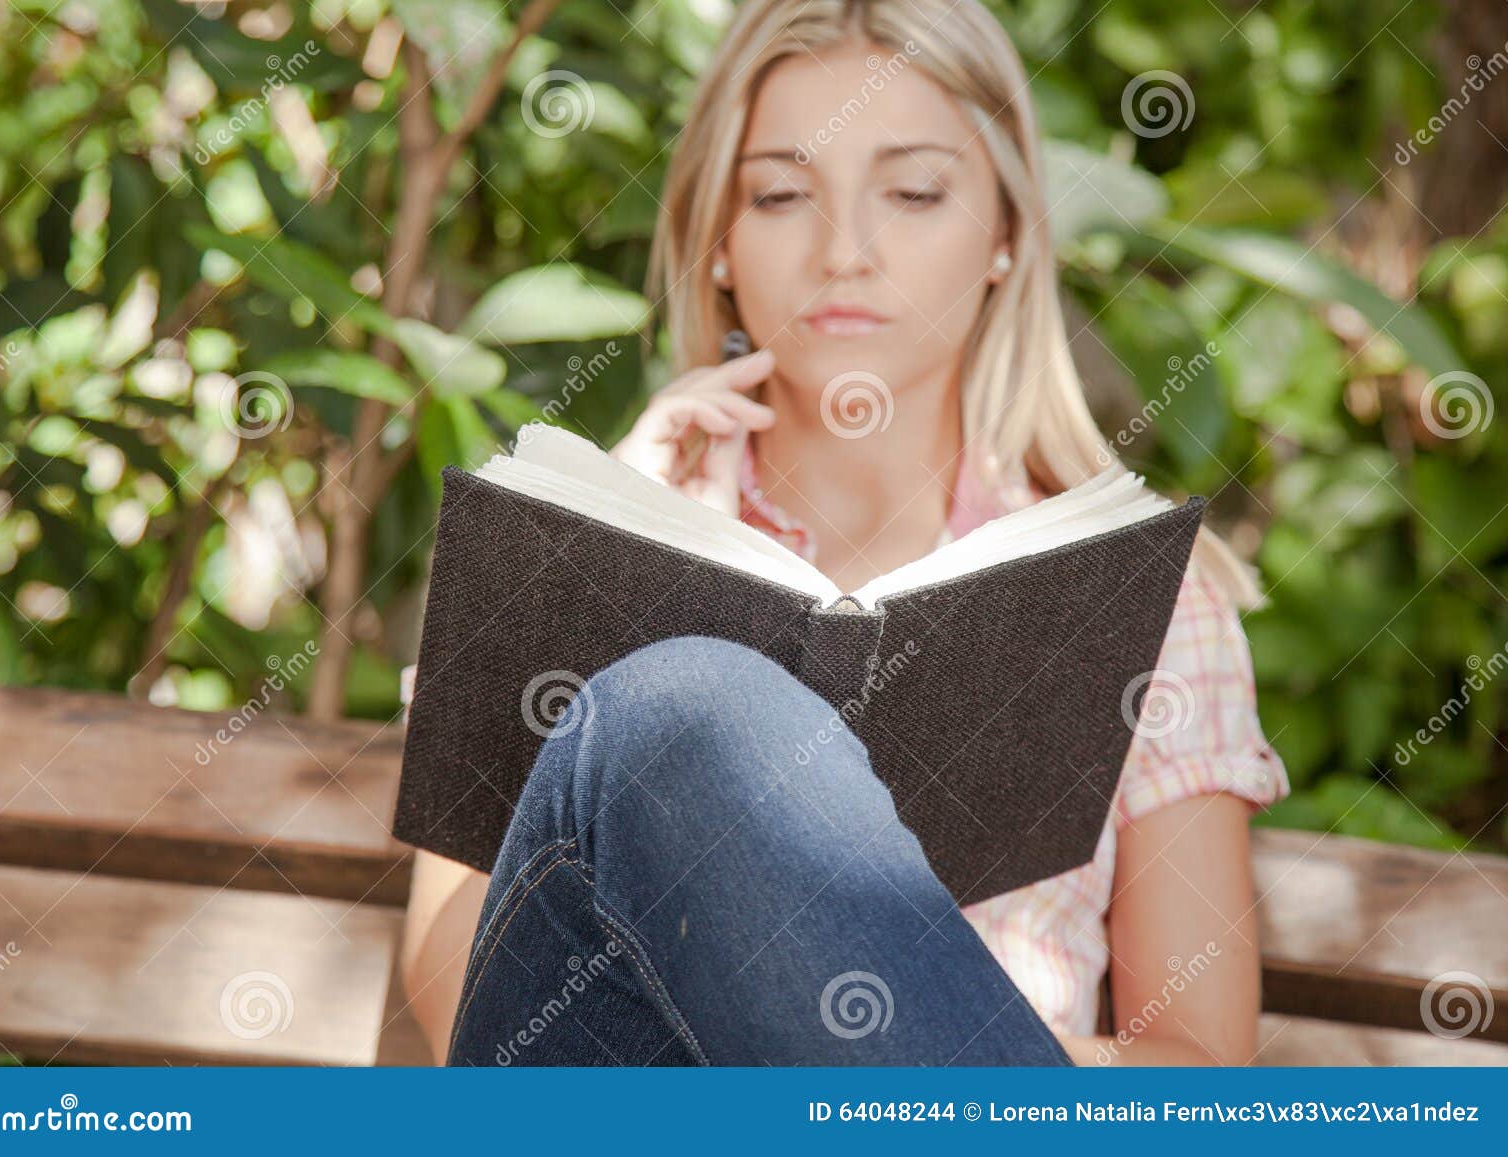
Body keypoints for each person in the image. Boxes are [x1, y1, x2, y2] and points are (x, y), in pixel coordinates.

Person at [399, 0, 1289, 1066]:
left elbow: (1202, 1068)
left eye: (912, 192)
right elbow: (462, 996)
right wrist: (603, 582)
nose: (843, 251)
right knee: (684, 706)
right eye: (780, 194)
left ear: (1005, 231)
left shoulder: (1146, 598)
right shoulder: (563, 544)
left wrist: (945, 1030)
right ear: (718, 241)